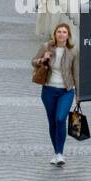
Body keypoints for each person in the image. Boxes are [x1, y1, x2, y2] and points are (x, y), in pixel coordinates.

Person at [31, 21, 80, 167]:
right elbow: (33, 62)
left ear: (68, 35)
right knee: (52, 121)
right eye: (59, 31)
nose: (61, 34)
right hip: (48, 91)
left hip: (66, 91)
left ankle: (60, 153)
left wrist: (79, 95)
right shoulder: (46, 47)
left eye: (64, 32)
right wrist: (43, 58)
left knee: (60, 119)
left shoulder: (73, 51)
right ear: (55, 34)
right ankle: (56, 152)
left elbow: (76, 74)